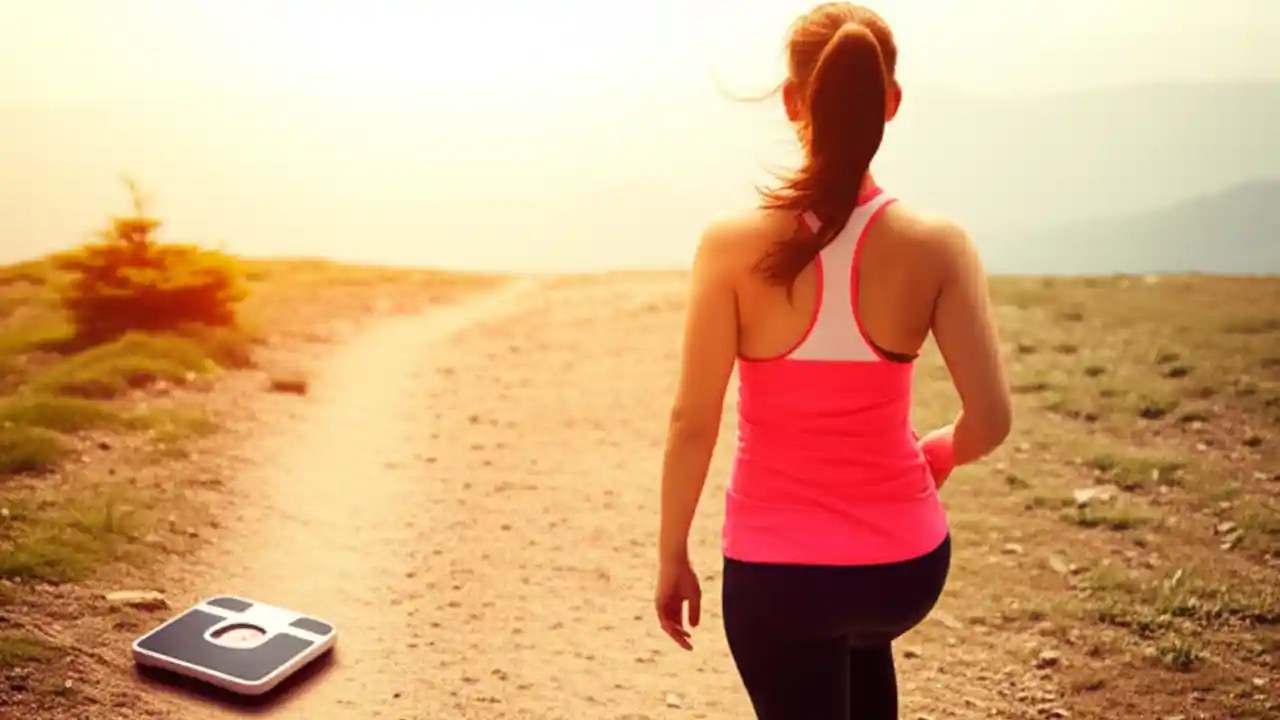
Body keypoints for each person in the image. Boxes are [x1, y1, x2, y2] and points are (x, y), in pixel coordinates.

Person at [653, 3, 1013, 718]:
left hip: (779, 580)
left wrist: (672, 557)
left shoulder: (731, 247)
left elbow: (694, 421)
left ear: (792, 102)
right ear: (891, 102)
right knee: (859, 646)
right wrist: (936, 455)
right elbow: (991, 421)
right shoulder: (938, 245)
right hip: (902, 572)